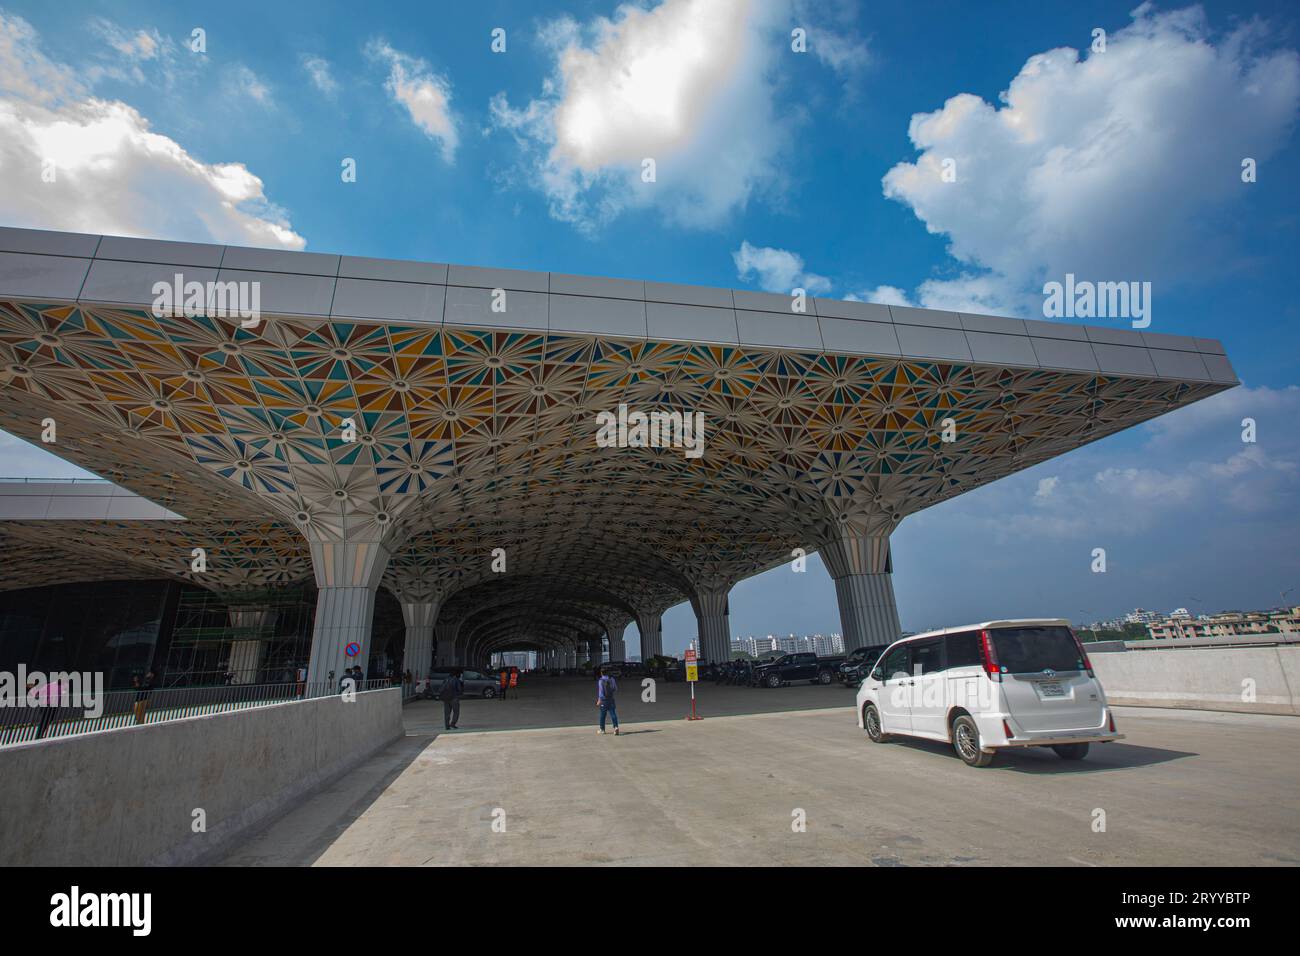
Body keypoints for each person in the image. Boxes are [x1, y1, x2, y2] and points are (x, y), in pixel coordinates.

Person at [595, 666, 619, 736]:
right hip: (611, 699)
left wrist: (599, 700)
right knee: (613, 714)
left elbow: (601, 692)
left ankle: (602, 729)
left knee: (602, 715)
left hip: (604, 700)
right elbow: (615, 689)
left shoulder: (601, 681)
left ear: (601, 673)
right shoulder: (612, 679)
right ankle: (616, 727)